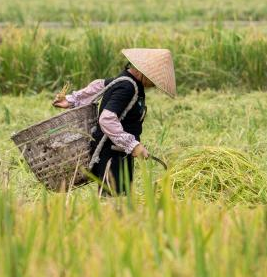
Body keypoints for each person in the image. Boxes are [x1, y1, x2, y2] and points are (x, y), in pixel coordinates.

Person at [53, 48, 175, 194]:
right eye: (154, 80)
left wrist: (72, 100)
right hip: (112, 154)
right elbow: (106, 119)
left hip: (120, 150)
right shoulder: (128, 87)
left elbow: (99, 86)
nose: (154, 85)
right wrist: (133, 145)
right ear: (144, 72)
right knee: (114, 200)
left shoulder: (125, 80)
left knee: (121, 197)